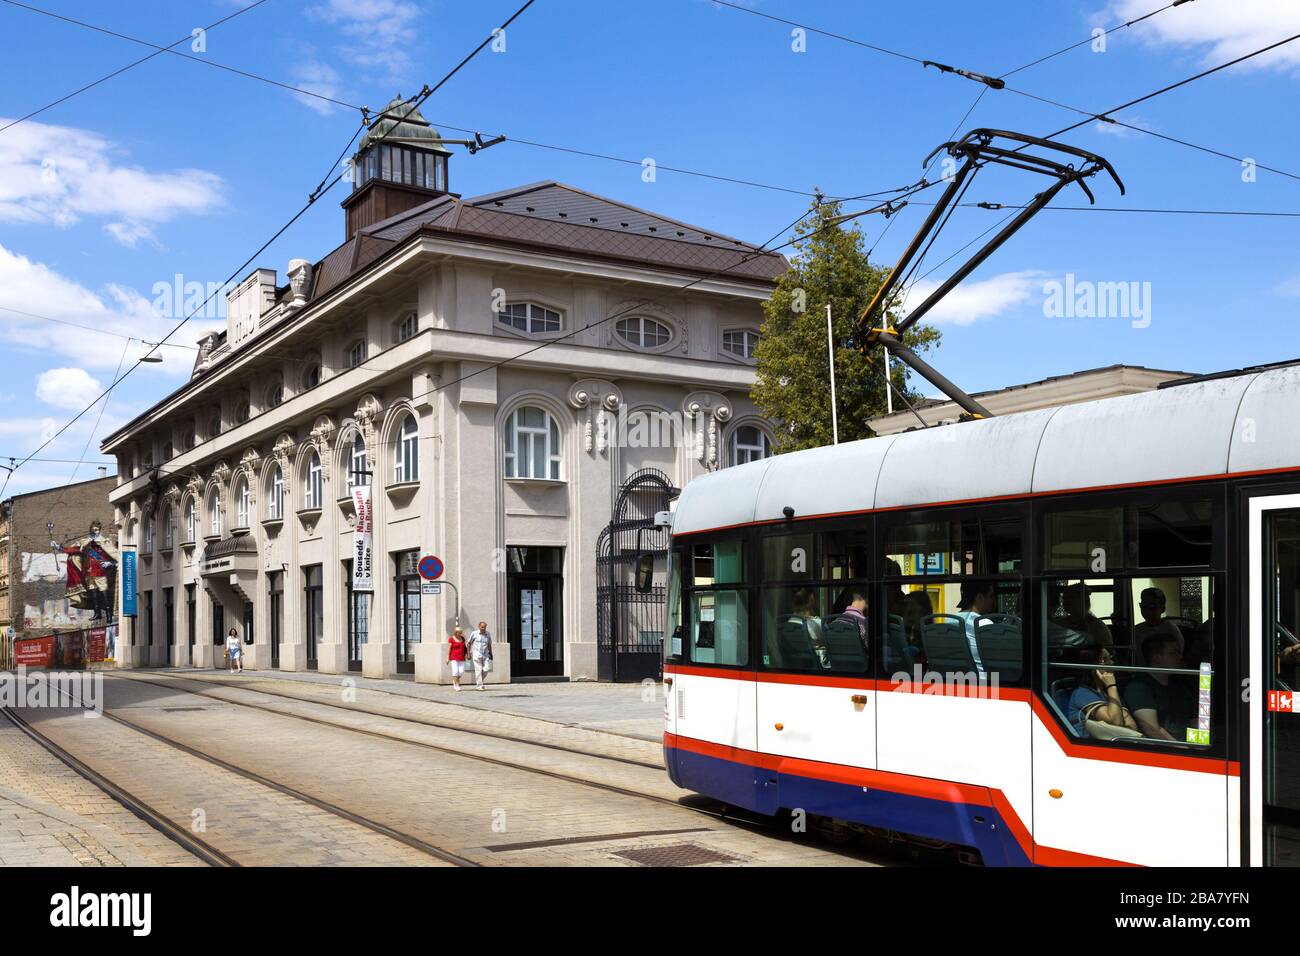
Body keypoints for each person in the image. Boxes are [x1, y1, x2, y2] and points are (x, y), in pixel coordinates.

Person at [1123, 632, 1189, 740]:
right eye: (1173, 653)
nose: (1180, 657)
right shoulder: (1139, 688)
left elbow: (1194, 717)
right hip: (1168, 749)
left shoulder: (1179, 683)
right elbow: (1152, 729)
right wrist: (1185, 750)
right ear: (1156, 658)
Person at [1066, 645, 1138, 737]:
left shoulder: (1108, 693)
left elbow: (1132, 726)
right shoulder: (1082, 693)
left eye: (1110, 658)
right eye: (1105, 659)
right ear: (1093, 666)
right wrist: (1111, 685)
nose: (1112, 662)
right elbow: (1115, 723)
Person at [1133, 588, 1184, 661]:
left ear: (1163, 608)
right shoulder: (1136, 630)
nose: (1146, 611)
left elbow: (1176, 659)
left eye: (1152, 607)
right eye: (1143, 606)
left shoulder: (1171, 630)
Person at [467, 620, 493, 691]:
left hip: (485, 654)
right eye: (482, 627)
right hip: (476, 654)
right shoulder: (474, 633)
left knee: (486, 669)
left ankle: (480, 681)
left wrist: (491, 653)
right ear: (479, 627)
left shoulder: (488, 634)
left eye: (484, 627)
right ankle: (479, 685)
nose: (483, 628)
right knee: (478, 670)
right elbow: (468, 643)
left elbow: (489, 644)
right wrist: (468, 653)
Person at [447, 627, 468, 691]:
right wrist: (447, 657)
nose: (461, 634)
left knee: (461, 672)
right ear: (456, 633)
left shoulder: (463, 638)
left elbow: (465, 647)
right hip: (454, 657)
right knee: (455, 671)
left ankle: (454, 680)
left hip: (461, 657)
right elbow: (449, 649)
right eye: (460, 632)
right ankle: (457, 685)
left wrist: (467, 654)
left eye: (461, 632)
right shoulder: (451, 639)